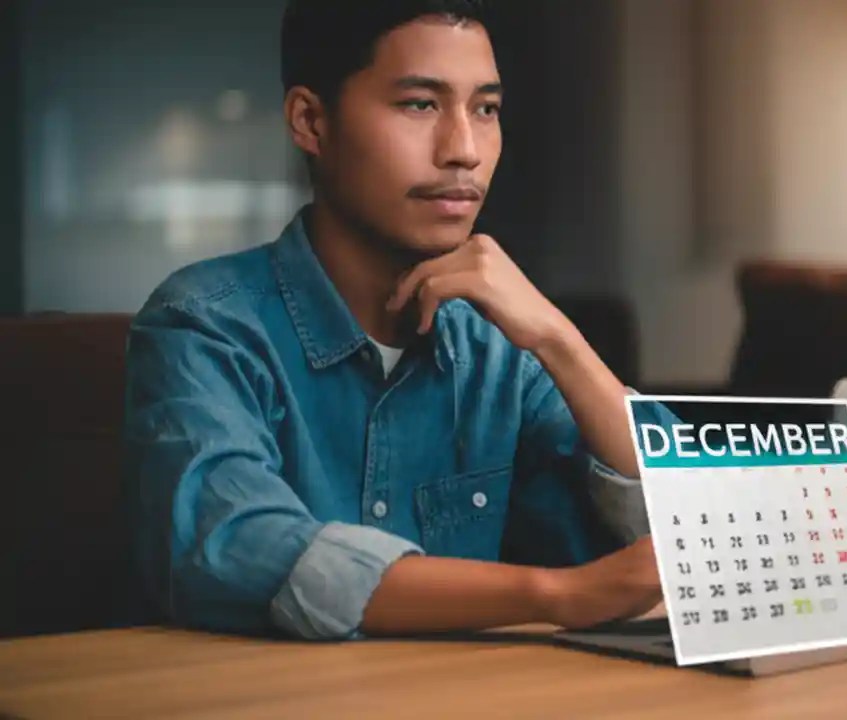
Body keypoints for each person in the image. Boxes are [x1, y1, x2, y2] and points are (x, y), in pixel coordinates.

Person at [124, 0, 667, 640]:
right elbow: (239, 545)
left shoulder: (501, 347)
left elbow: (705, 526)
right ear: (310, 121)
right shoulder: (205, 325)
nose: (464, 151)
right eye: (420, 104)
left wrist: (559, 340)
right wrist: (559, 595)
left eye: (485, 109)